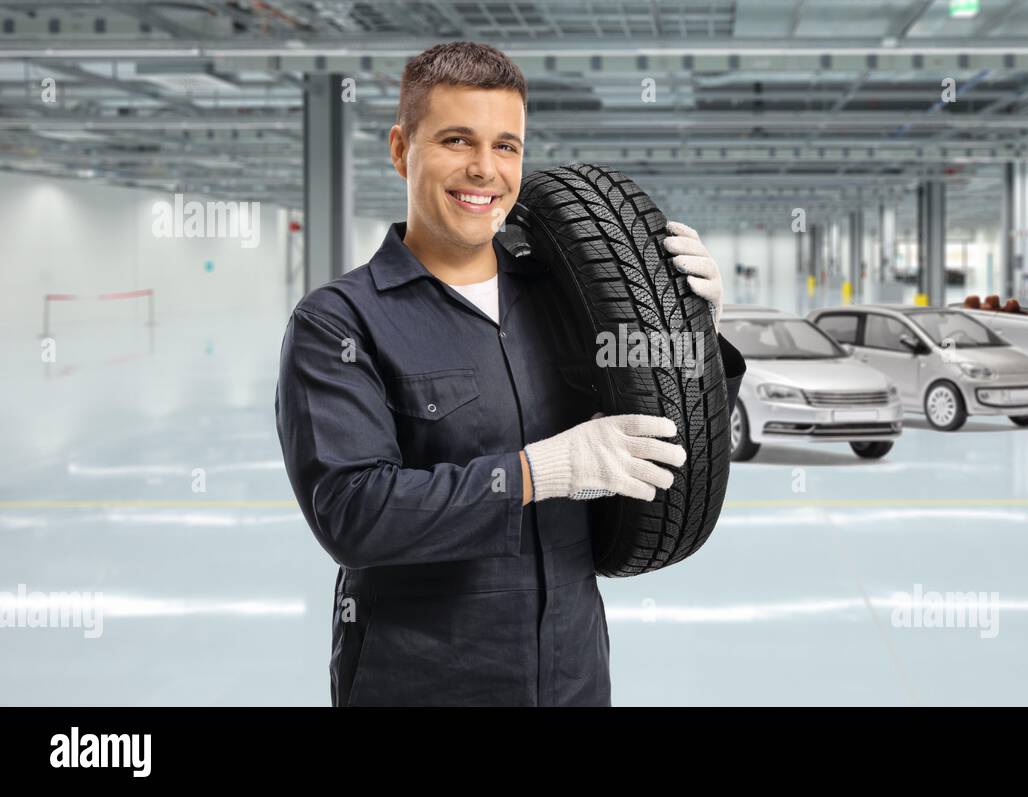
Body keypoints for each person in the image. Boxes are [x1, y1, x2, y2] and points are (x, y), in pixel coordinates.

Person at [275, 41, 745, 706]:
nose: (484, 171)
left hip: (574, 673)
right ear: (401, 148)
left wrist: (692, 329)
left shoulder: (564, 299)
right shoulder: (338, 324)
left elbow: (669, 447)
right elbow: (355, 515)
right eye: (457, 140)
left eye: (507, 146)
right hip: (419, 682)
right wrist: (534, 473)